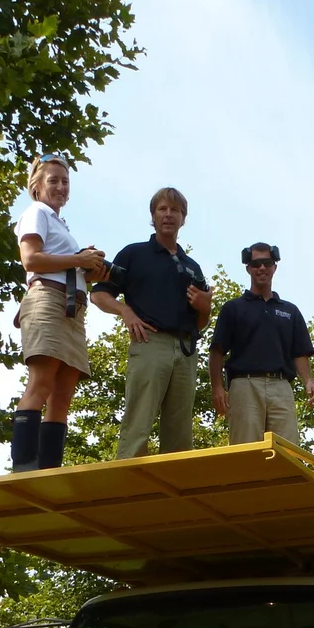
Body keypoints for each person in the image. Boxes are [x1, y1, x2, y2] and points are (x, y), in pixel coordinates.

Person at [90, 187, 212, 458]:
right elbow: (98, 294)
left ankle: (174, 485)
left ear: (183, 218)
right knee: (138, 424)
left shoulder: (192, 266)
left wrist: (206, 308)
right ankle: (128, 481)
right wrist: (125, 312)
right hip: (149, 342)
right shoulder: (134, 254)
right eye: (162, 209)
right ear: (153, 216)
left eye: (174, 210)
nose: (168, 215)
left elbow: (200, 322)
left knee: (180, 434)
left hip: (186, 350)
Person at [10, 154, 107, 472]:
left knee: (63, 395)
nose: (61, 186)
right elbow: (31, 260)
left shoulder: (59, 224)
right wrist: (79, 260)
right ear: (36, 186)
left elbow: (62, 264)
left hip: (72, 308)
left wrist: (90, 270)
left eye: (65, 181)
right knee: (40, 383)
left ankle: (48, 471)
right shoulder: (36, 212)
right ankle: (24, 469)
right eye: (53, 180)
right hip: (48, 301)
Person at [209, 243, 314, 445]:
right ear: (248, 269)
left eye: (267, 263)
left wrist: (308, 380)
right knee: (246, 451)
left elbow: (299, 352)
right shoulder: (233, 308)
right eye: (256, 264)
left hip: (281, 386)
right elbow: (217, 351)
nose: (262, 268)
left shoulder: (290, 311)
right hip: (244, 385)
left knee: (287, 450)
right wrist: (217, 387)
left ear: (274, 267)